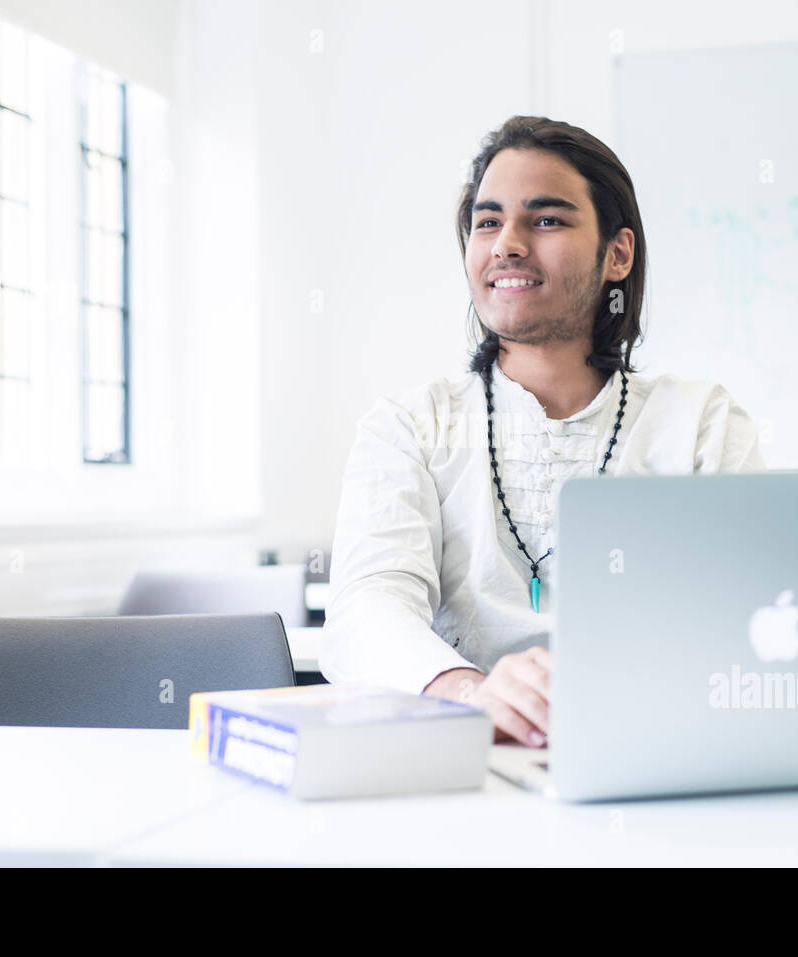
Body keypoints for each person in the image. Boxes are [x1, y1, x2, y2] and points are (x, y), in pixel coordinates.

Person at [319, 115, 766, 747]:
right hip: (467, 753)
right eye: (487, 221)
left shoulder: (701, 423)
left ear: (618, 254)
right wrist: (474, 694)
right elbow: (367, 609)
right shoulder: (411, 425)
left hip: (656, 743)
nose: (506, 244)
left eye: (547, 219)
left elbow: (739, 611)